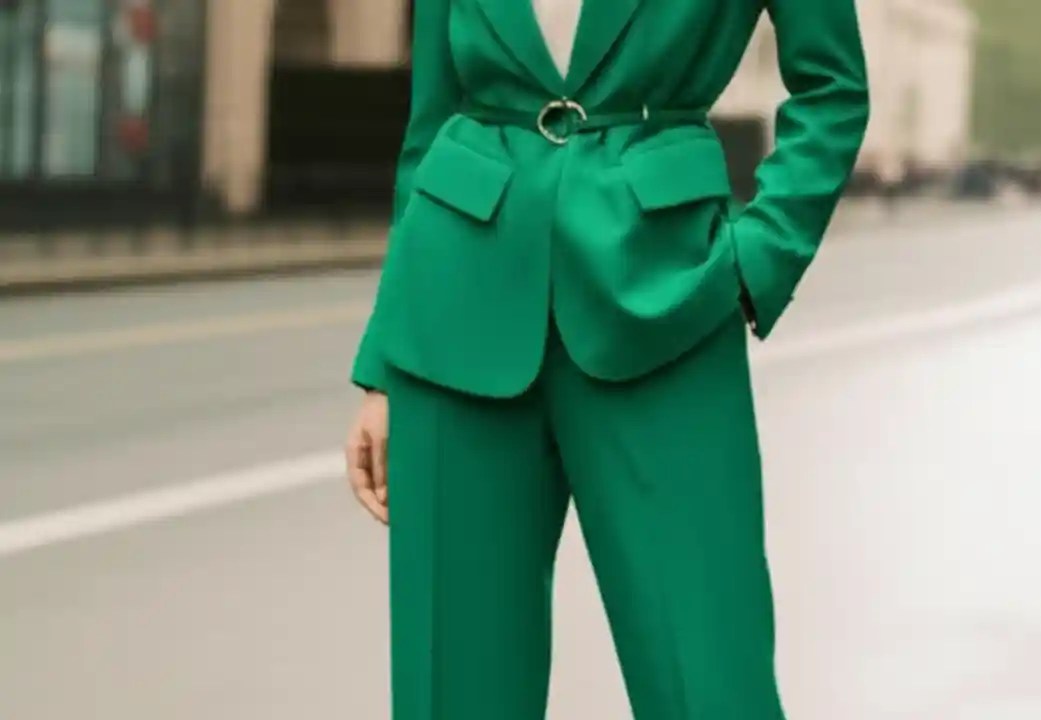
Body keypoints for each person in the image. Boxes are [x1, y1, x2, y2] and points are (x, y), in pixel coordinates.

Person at [344, 0, 870, 717]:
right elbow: (431, 123)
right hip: (454, 309)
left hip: (669, 297)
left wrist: (758, 257)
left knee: (713, 682)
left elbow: (833, 87)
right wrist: (385, 362)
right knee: (453, 690)